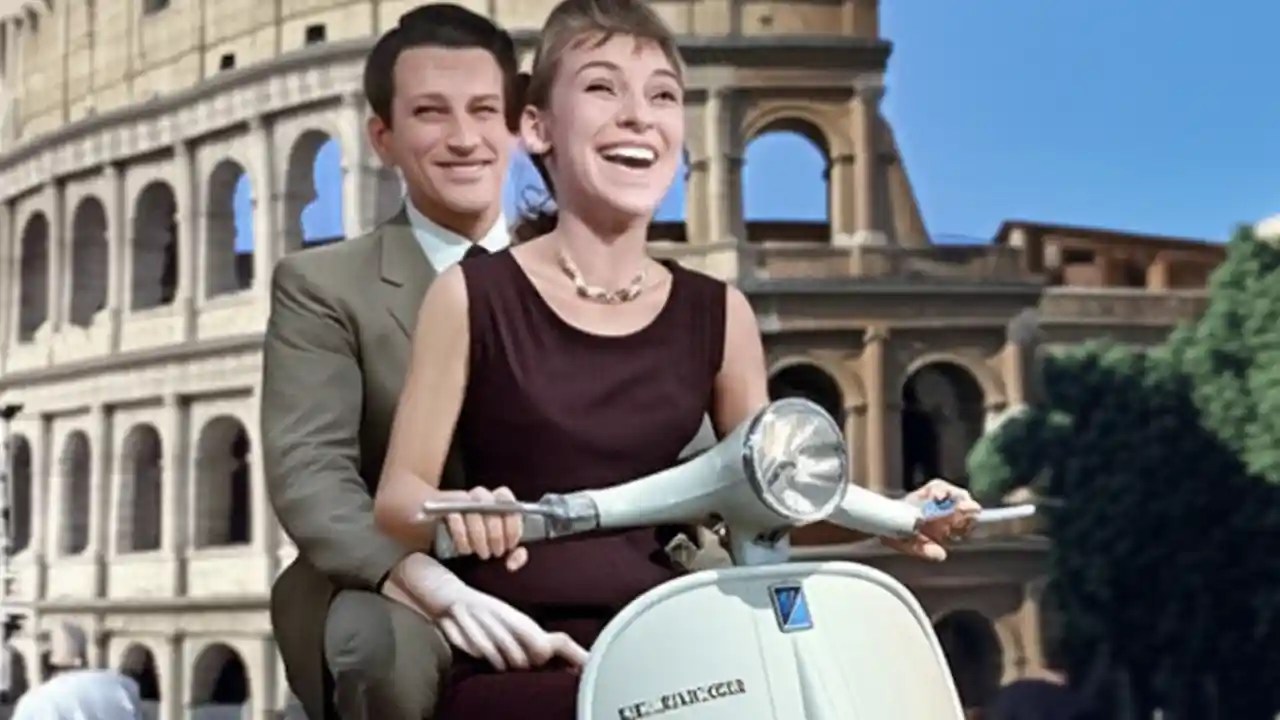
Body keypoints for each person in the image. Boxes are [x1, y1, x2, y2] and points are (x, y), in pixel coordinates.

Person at [371, 0, 982, 717]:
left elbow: (769, 487)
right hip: (528, 647)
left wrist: (893, 514)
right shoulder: (470, 296)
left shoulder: (719, 313)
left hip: (685, 639)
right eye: (603, 89)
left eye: (661, 95)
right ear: (537, 127)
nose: (638, 115)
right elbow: (397, 502)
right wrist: (463, 509)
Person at [260, 4, 523, 719]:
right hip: (395, 578)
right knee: (380, 647)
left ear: (516, 126)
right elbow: (310, 473)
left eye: (483, 110)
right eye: (431, 113)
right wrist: (417, 575)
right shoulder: (323, 284)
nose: (465, 139)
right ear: (384, 137)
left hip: (562, 562)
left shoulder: (575, 271)